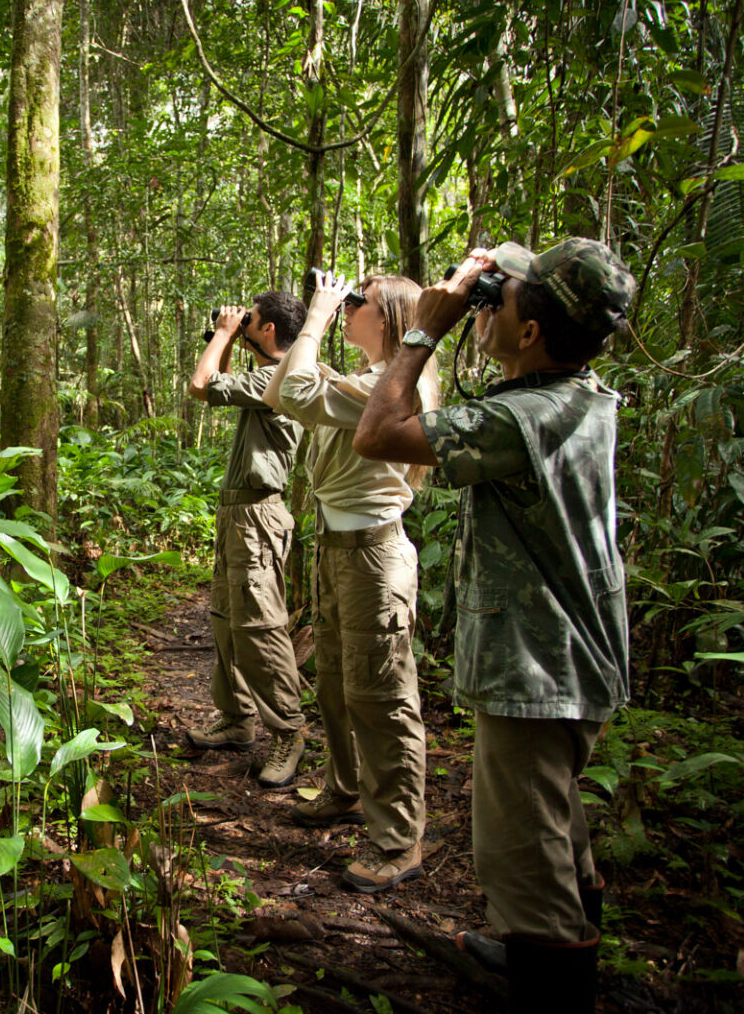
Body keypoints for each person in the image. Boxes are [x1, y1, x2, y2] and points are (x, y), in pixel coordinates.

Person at [347, 239, 634, 1013]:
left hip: (539, 663)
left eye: (501, 302)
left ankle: (546, 973)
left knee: (524, 850)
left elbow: (376, 436)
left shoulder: (524, 418)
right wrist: (497, 282)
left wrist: (422, 331)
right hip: (574, 652)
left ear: (535, 332)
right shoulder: (581, 393)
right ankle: (543, 948)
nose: (486, 306)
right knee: (555, 821)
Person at [261, 273, 440, 893]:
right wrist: (315, 327)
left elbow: (301, 389)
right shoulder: (367, 379)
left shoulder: (388, 385)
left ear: (387, 316)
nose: (346, 306)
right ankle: (345, 789)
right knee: (335, 681)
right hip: (338, 548)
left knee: (382, 696)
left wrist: (314, 314)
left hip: (373, 557)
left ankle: (398, 839)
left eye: (356, 300)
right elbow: (286, 391)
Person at [184, 292, 309, 789]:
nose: (239, 322)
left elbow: (202, 385)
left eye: (250, 320)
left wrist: (222, 334)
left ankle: (288, 730)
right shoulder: (267, 373)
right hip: (238, 512)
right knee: (226, 618)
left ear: (270, 330)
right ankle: (237, 718)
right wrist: (234, 337)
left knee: (258, 623)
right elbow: (220, 384)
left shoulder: (279, 378)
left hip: (258, 514)